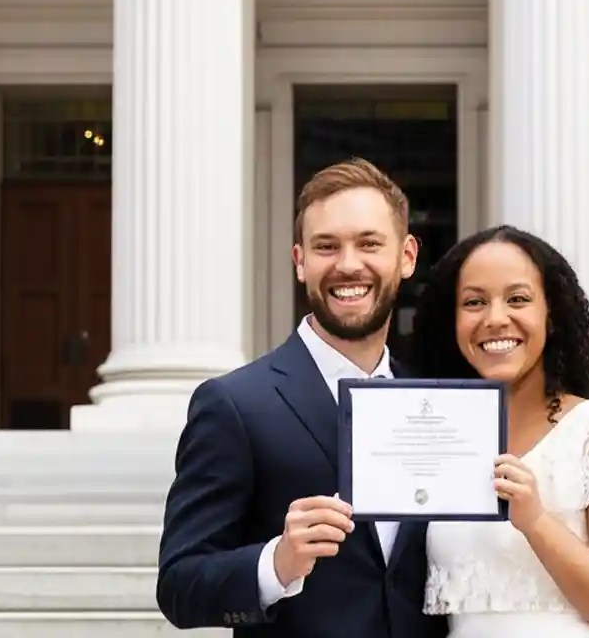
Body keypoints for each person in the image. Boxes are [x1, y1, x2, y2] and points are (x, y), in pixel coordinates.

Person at [156, 158, 448, 638]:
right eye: (326, 246)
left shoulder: (437, 403)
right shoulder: (233, 404)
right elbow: (179, 587)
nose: (348, 264)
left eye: (370, 243)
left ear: (407, 256)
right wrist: (278, 562)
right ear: (299, 261)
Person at [409, 224, 589, 638]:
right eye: (474, 302)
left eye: (517, 299)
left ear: (551, 316)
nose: (495, 319)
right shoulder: (442, 440)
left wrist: (536, 522)